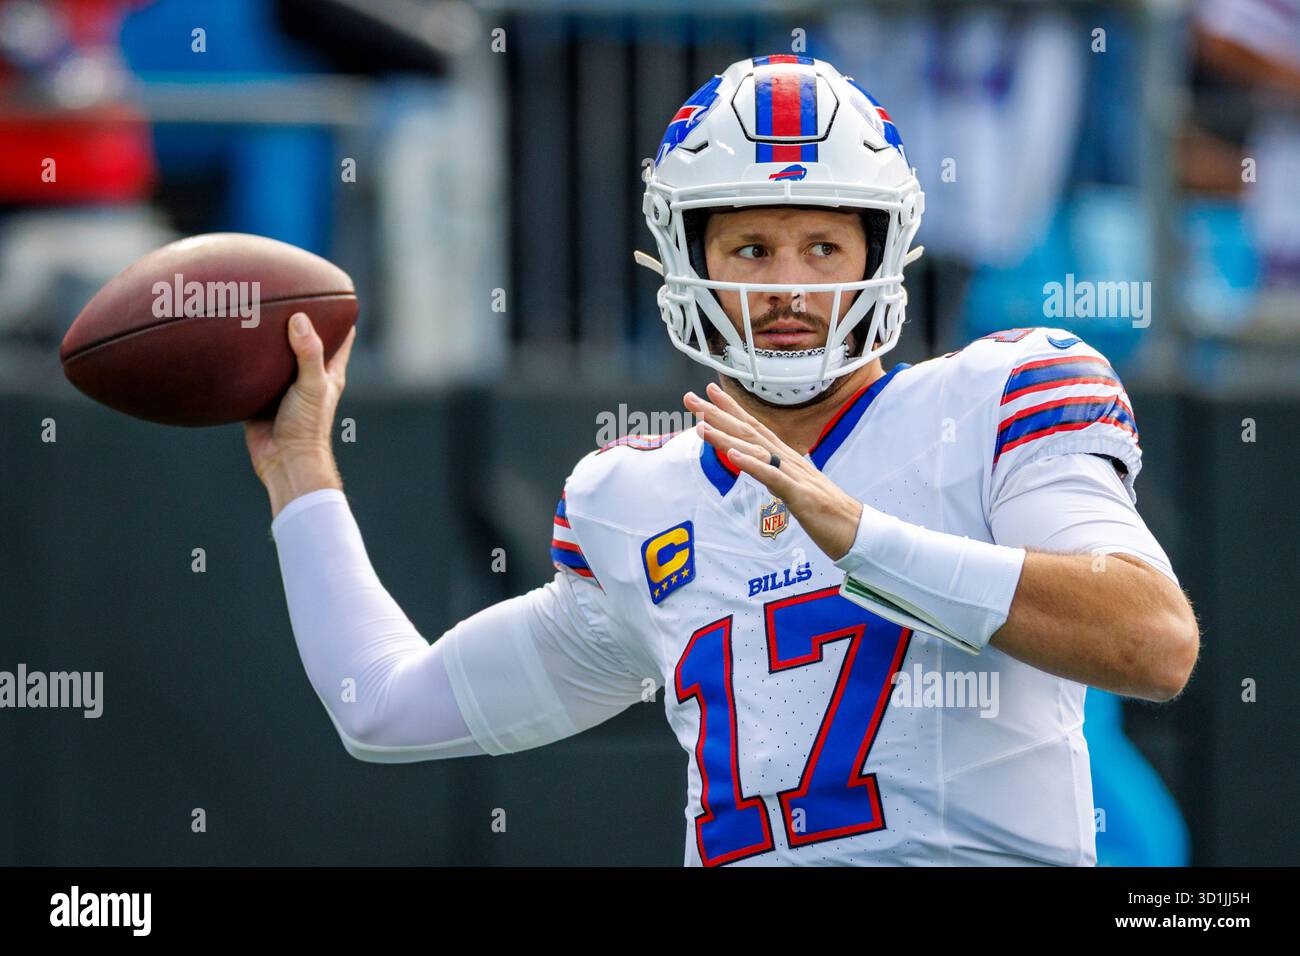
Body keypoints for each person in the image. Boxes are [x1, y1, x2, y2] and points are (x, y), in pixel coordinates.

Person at [248, 55, 1198, 866]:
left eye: (823, 246)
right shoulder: (634, 500)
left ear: (882, 251)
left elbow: (1153, 641)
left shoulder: (996, 398)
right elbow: (380, 707)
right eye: (750, 246)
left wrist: (864, 542)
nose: (788, 285)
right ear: (685, 260)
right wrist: (299, 468)